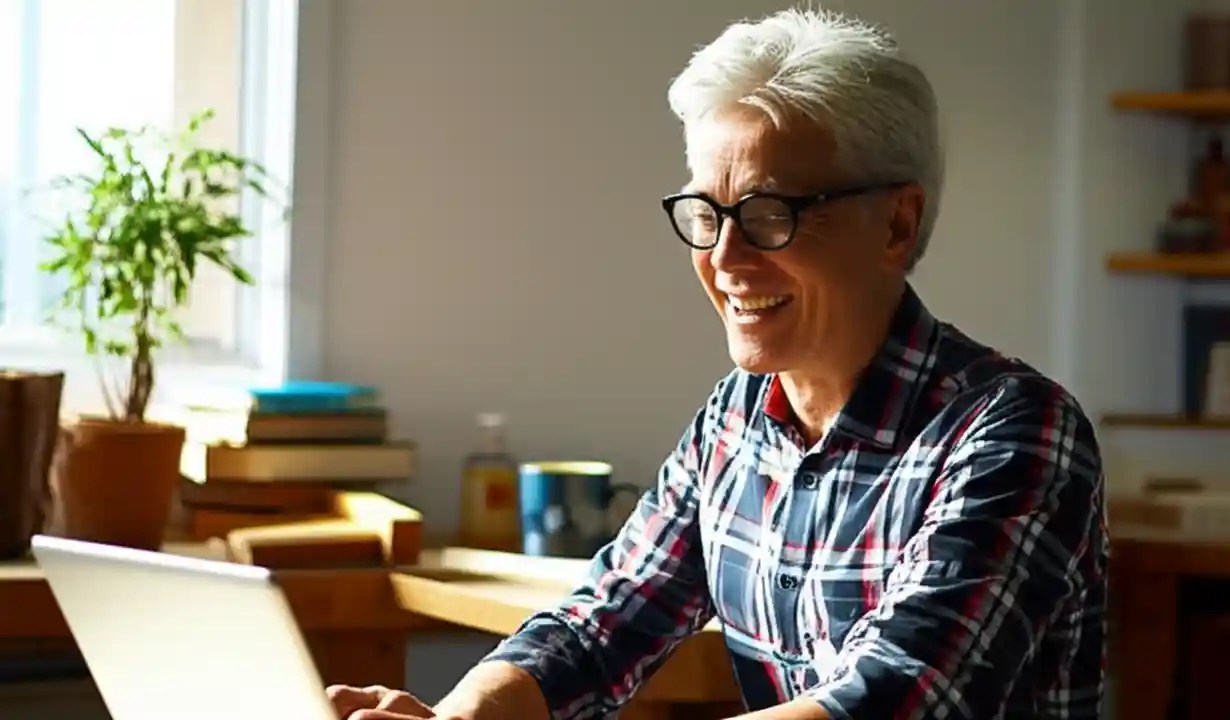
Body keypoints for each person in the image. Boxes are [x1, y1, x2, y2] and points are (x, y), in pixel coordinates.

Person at [328, 7, 1107, 720]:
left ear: (896, 224)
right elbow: (603, 624)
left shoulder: (1012, 432)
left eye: (771, 215)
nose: (725, 258)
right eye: (706, 215)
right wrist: (463, 717)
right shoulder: (737, 419)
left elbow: (892, 700)